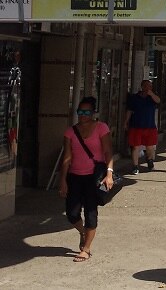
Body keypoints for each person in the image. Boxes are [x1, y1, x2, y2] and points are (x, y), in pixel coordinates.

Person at [59, 96, 114, 262]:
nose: (83, 115)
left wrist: (109, 174)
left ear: (93, 113)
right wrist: (63, 180)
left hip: (94, 177)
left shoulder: (101, 128)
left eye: (87, 112)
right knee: (72, 213)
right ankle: (83, 232)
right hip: (74, 176)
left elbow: (108, 152)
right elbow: (67, 157)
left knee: (91, 212)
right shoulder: (70, 132)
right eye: (80, 112)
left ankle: (86, 249)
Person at [124, 80, 160, 174]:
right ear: (142, 86)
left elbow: (158, 101)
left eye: (150, 86)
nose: (148, 88)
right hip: (136, 126)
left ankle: (150, 161)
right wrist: (126, 121)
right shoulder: (134, 98)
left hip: (150, 126)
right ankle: (135, 166)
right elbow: (129, 110)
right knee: (135, 147)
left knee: (150, 147)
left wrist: (151, 94)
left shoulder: (152, 97)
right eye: (146, 86)